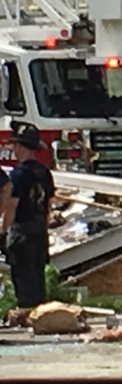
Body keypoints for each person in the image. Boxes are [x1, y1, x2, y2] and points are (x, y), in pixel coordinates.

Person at [0, 122, 54, 309]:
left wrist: (4, 231)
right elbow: (48, 205)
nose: (13, 149)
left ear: (21, 147)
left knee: (22, 278)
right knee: (37, 278)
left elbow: (12, 206)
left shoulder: (18, 174)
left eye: (15, 145)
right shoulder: (44, 172)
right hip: (39, 230)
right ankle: (41, 314)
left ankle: (27, 314)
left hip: (22, 231)